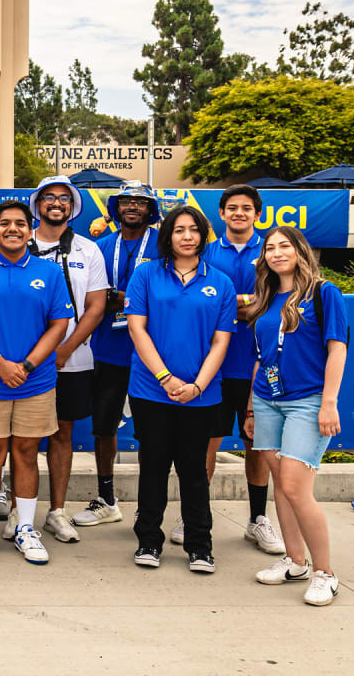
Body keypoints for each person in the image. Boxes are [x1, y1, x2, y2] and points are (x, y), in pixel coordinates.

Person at [0, 200, 71, 565]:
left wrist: (29, 363)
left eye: (20, 223)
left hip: (36, 382)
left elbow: (59, 324)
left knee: (25, 454)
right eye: (5, 223)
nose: (13, 229)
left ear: (29, 229)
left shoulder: (48, 272)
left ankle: (24, 528)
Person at [126, 205, 236, 573]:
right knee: (154, 466)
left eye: (193, 230)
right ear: (167, 236)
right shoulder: (145, 275)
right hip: (150, 390)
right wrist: (166, 379)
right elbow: (137, 329)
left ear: (204, 235)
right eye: (179, 230)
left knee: (193, 470)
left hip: (201, 394)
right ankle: (148, 542)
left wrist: (198, 385)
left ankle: (200, 547)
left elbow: (221, 342)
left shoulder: (220, 282)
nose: (187, 236)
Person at [245, 226, 347, 605]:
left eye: (283, 245)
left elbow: (337, 350)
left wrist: (329, 403)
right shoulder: (267, 297)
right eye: (269, 247)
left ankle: (325, 573)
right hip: (267, 399)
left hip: (308, 401)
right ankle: (296, 560)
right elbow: (263, 358)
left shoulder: (324, 292)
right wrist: (252, 408)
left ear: (300, 250)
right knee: (280, 483)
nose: (276, 252)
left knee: (295, 486)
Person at [201, 184, 284, 555]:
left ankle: (257, 520)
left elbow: (273, 303)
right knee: (205, 444)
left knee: (257, 444)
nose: (239, 213)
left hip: (258, 366)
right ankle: (195, 515)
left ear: (256, 213)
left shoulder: (271, 251)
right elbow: (204, 306)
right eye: (232, 207)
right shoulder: (205, 252)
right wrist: (240, 304)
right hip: (212, 368)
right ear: (221, 213)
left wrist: (236, 304)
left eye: (246, 208)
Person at [75, 183, 161, 529]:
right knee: (104, 429)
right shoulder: (100, 247)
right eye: (126, 201)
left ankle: (148, 505)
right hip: (107, 351)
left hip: (151, 354)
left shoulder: (162, 245)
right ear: (116, 207)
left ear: (150, 209)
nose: (132, 207)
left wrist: (126, 300)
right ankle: (106, 499)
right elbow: (89, 297)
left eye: (140, 202)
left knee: (151, 434)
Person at [27, 176, 107, 544]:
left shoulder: (88, 249)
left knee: (62, 435)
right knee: (22, 438)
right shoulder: (19, 242)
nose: (56, 203)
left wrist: (63, 350)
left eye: (63, 198)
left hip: (72, 360)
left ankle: (56, 512)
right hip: (23, 362)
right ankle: (20, 510)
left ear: (72, 206)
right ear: (37, 204)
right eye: (49, 198)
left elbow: (95, 307)